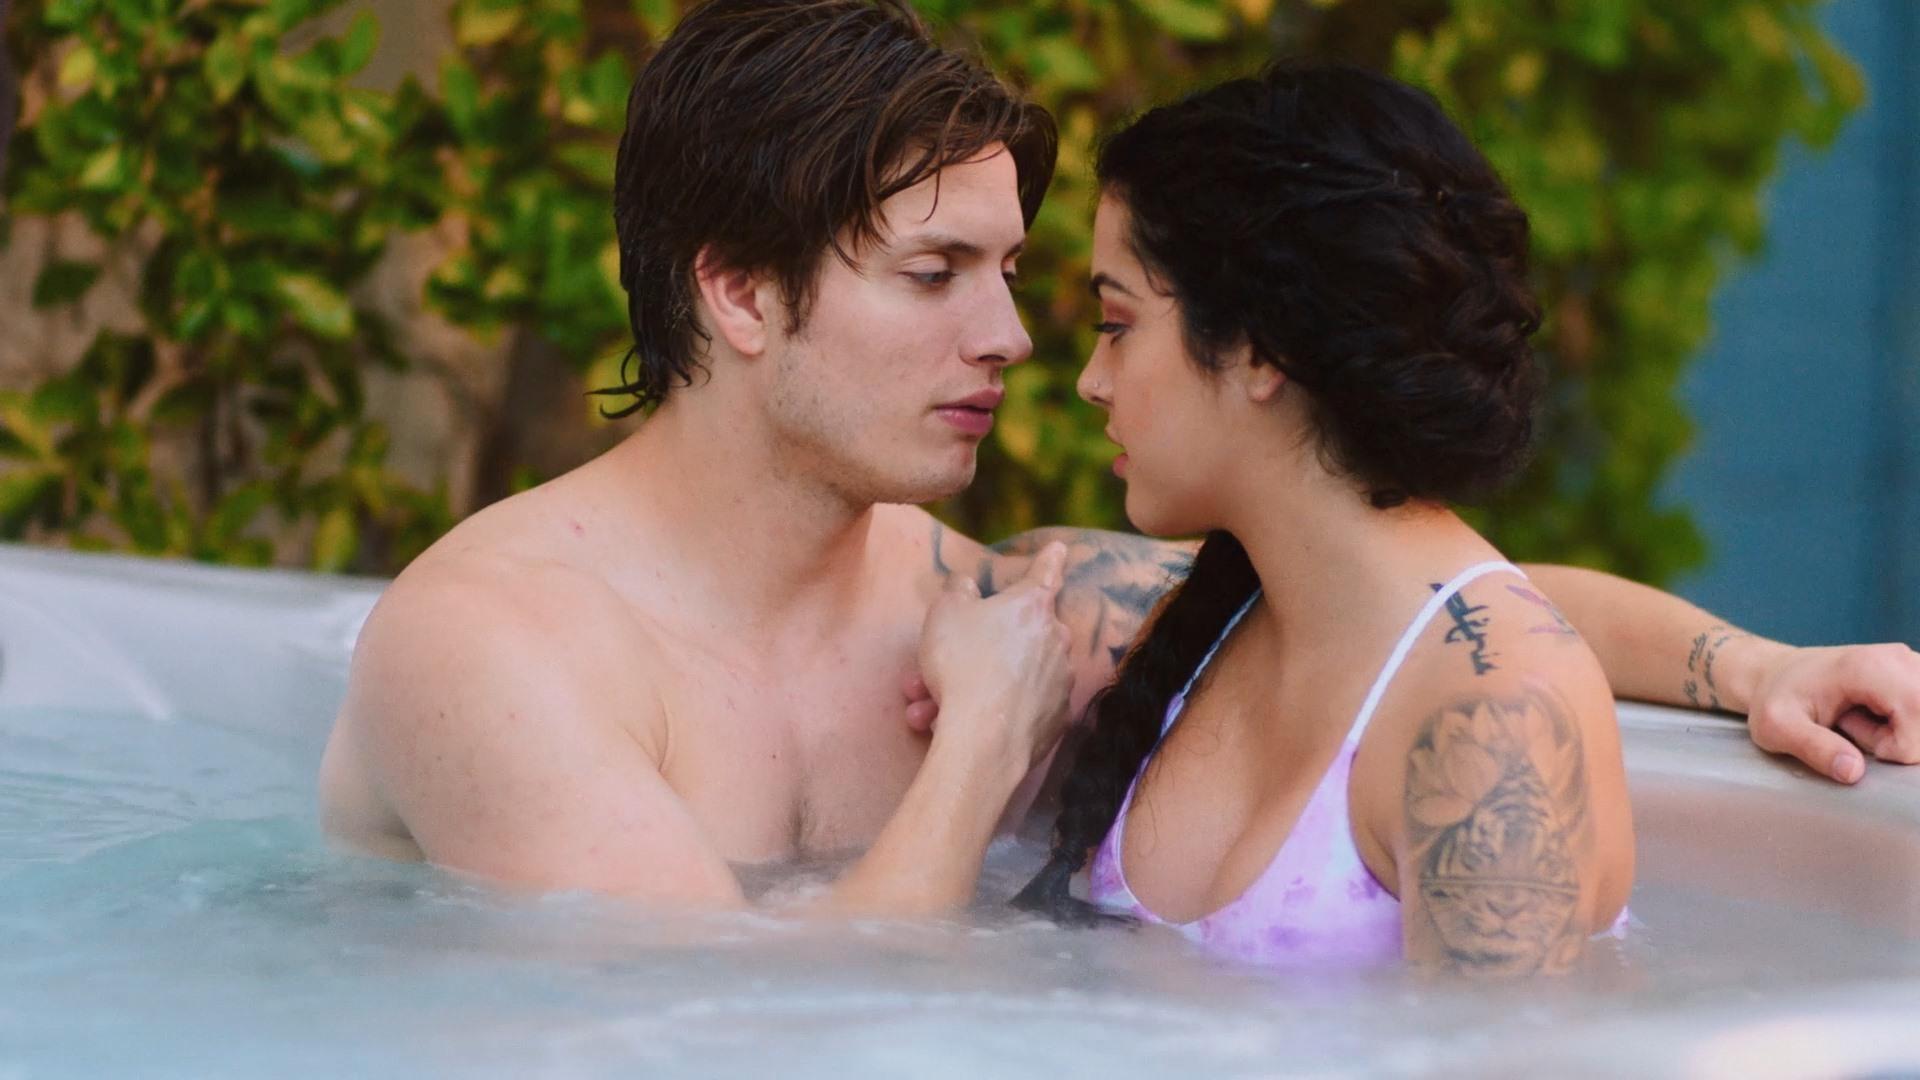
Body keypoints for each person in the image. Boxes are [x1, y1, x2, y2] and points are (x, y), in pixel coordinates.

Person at [318, 0, 1920, 916]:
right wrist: (977, 750)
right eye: (935, 275)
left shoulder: (979, 602)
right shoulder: (491, 649)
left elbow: (1388, 604)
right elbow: (733, 1049)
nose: (1011, 339)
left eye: (1014, 274)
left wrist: (1752, 666)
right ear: (738, 293)